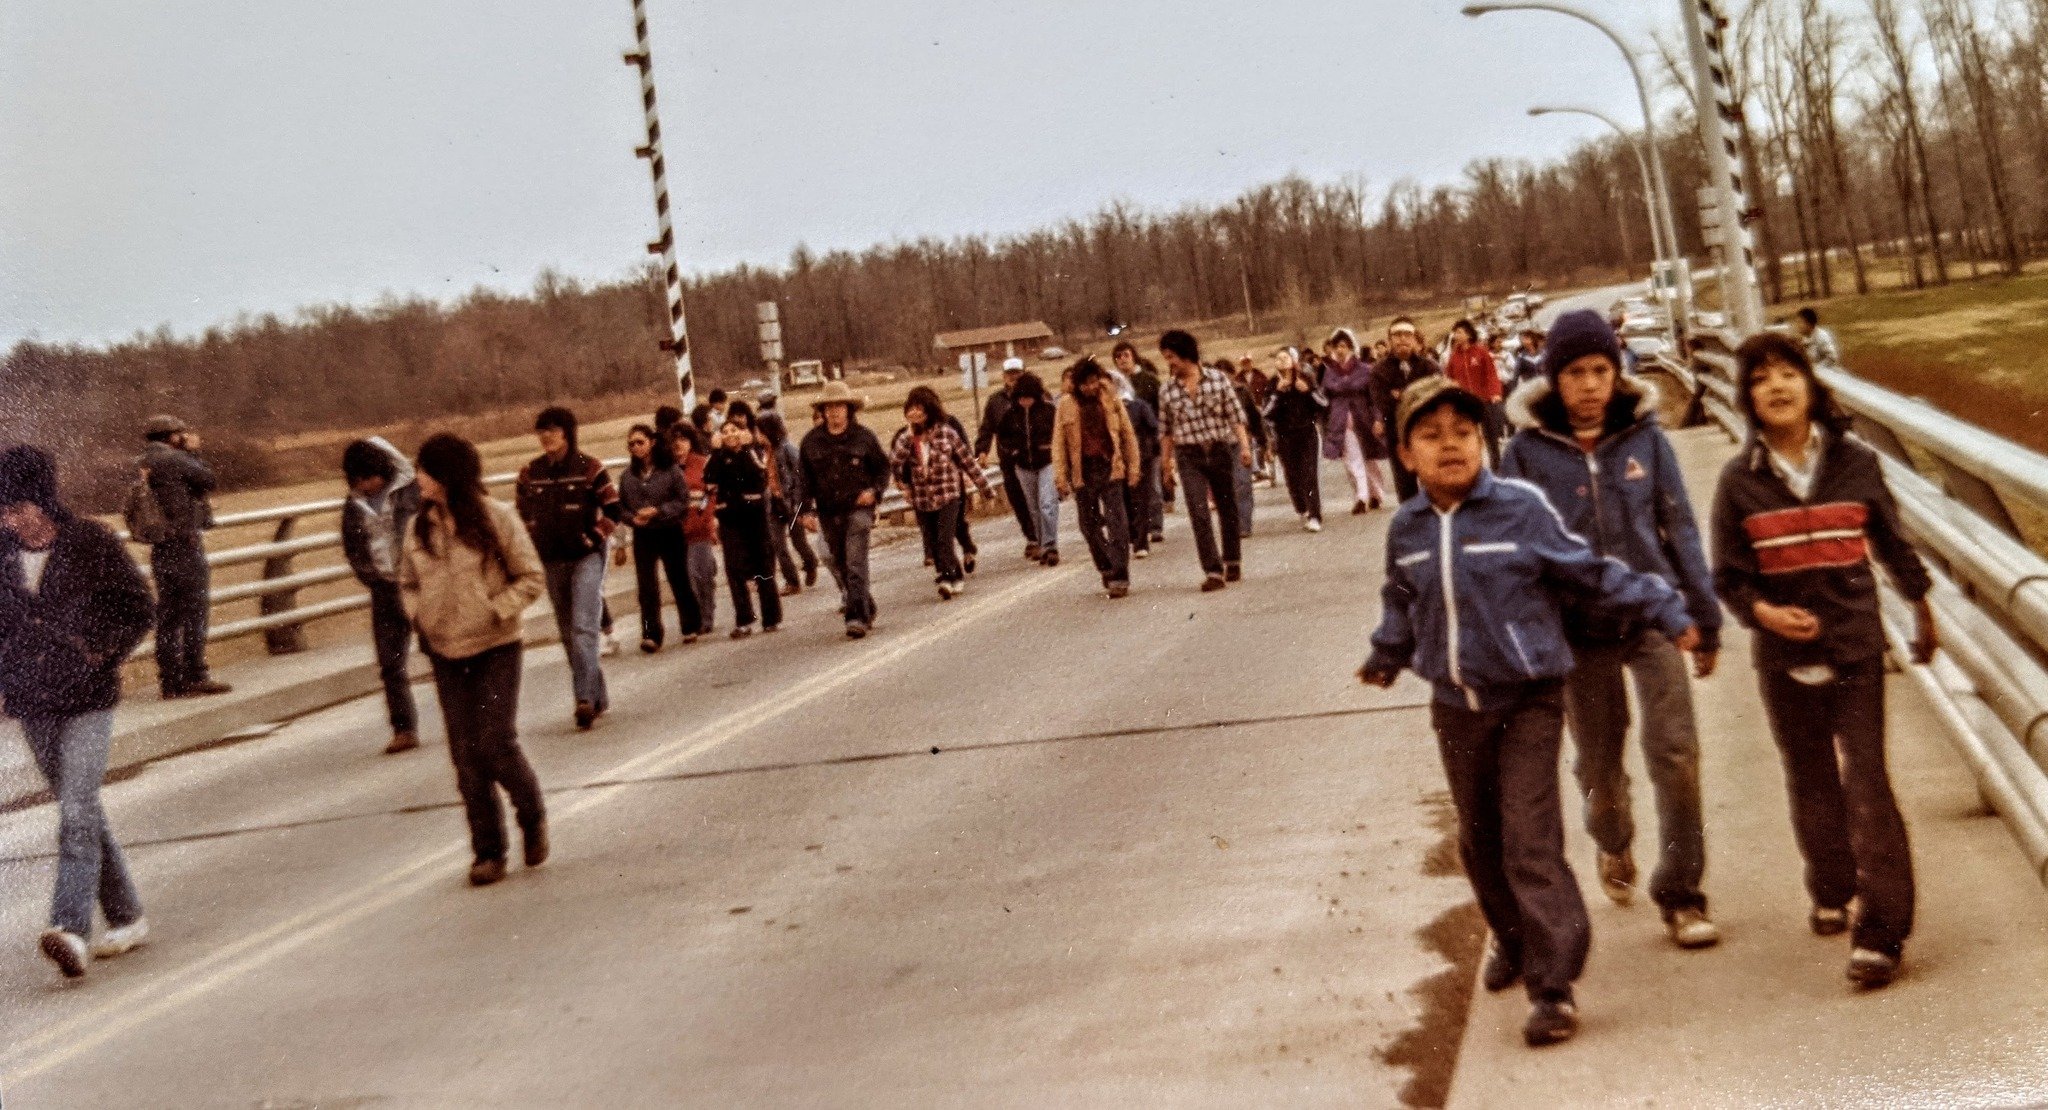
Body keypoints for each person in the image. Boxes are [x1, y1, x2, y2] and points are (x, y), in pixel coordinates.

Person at [1360, 377, 1700, 1048]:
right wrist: (1387, 651)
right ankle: (1513, 942)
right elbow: (1402, 597)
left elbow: (1590, 571)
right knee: (1479, 843)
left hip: (1530, 699)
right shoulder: (1407, 528)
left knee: (1530, 839)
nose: (1449, 446)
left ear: (1483, 442)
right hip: (1456, 704)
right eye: (1430, 437)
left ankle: (1553, 987)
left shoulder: (1520, 509)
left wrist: (1662, 604)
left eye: (1462, 433)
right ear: (1406, 456)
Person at [1711, 331, 1935, 990]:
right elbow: (1728, 576)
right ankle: (1832, 884)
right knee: (1811, 779)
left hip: (1856, 648)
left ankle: (1883, 932)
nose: (1776, 387)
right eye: (1760, 379)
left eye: (1788, 373)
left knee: (1866, 780)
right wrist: (1765, 614)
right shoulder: (1738, 482)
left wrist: (1922, 609)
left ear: (1812, 384)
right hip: (1783, 656)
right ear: (1747, 398)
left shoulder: (1857, 463)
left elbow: (1893, 544)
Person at [1499, 309, 1725, 950]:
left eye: (1602, 370)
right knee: (1601, 774)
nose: (1591, 384)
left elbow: (1679, 529)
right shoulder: (1525, 455)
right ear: (1554, 380)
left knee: (1676, 754)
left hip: (1652, 619)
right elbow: (1516, 555)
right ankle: (1614, 842)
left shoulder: (1647, 442)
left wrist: (1703, 618)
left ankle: (1682, 893)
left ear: (1617, 369)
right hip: (1577, 636)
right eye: (1576, 373)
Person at [0, 446, 154, 978]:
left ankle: (69, 928)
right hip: (31, 700)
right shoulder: (0, 552)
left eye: (20, 508)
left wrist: (102, 650)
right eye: (3, 511)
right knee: (81, 808)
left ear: (44, 500)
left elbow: (139, 605)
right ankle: (128, 915)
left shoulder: (90, 540)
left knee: (76, 811)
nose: (12, 520)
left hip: (88, 696)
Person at [399, 433, 549, 888]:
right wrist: (419, 616)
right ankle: (488, 851)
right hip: (445, 650)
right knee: (465, 756)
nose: (417, 477)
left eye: (424, 469)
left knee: (495, 741)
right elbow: (407, 583)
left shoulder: (496, 517)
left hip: (496, 646)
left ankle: (532, 812)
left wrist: (494, 608)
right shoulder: (417, 528)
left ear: (446, 475)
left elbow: (531, 577)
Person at [514, 406, 620, 732]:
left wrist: (595, 537)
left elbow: (614, 510)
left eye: (553, 429)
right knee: (567, 633)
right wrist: (533, 540)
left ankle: (583, 700)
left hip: (586, 557)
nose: (546, 436)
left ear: (567, 432)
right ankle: (596, 696)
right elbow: (521, 515)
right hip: (551, 561)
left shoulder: (591, 468)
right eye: (541, 430)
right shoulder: (529, 474)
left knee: (584, 627)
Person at [138, 414, 230, 699]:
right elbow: (208, 480)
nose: (186, 436)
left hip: (162, 548)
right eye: (181, 433)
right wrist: (193, 451)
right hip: (186, 545)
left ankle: (170, 681)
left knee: (168, 615)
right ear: (172, 437)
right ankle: (195, 675)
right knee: (195, 612)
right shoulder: (175, 460)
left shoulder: (143, 463)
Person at [341, 436, 423, 755]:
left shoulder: (409, 493)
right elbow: (352, 547)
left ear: (382, 472)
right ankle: (403, 728)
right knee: (390, 663)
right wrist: (371, 577)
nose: (365, 485)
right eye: (357, 480)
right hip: (384, 589)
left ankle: (467, 713)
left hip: (418, 584)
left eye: (368, 478)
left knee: (444, 650)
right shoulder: (353, 505)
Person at [1157, 329, 1253, 592]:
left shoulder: (1218, 380)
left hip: (1220, 450)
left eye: (1172, 357)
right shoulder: (1167, 391)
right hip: (1189, 456)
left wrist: (1244, 447)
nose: (1169, 363)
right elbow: (1165, 431)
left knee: (1227, 507)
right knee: (1198, 511)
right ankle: (1213, 570)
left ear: (1186, 354)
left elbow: (1236, 416)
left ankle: (1232, 559)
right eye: (1166, 358)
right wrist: (1166, 464)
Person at [799, 381, 891, 638]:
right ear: (823, 410)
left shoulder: (864, 437)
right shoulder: (811, 442)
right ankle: (866, 605)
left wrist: (874, 492)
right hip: (829, 511)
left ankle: (856, 617)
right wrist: (805, 511)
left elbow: (883, 469)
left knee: (855, 560)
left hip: (858, 509)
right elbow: (802, 480)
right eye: (829, 407)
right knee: (839, 561)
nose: (835, 411)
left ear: (849, 409)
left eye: (840, 406)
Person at [1053, 357, 1143, 598]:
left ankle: (1120, 575)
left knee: (1117, 523)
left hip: (1109, 466)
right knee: (1088, 525)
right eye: (1085, 384)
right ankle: (1106, 565)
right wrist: (1060, 476)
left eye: (1094, 381)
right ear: (1077, 384)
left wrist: (1134, 467)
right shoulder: (1066, 404)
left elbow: (1127, 433)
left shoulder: (1111, 398)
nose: (1090, 388)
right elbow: (1059, 443)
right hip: (1082, 471)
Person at [893, 390, 993, 600]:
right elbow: (895, 462)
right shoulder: (906, 438)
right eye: (910, 409)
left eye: (919, 409)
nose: (914, 413)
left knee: (944, 539)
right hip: (923, 499)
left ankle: (948, 578)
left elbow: (967, 462)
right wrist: (910, 437)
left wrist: (985, 489)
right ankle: (953, 574)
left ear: (929, 411)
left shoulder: (947, 433)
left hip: (948, 495)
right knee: (931, 540)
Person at [619, 424, 700, 651]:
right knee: (646, 586)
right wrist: (632, 519)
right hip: (643, 534)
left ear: (651, 443)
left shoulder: (670, 471)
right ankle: (651, 634)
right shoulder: (627, 476)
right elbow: (621, 508)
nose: (635, 447)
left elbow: (682, 502)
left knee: (678, 578)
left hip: (669, 530)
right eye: (631, 444)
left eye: (640, 442)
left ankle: (690, 624)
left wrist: (659, 511)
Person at [703, 418, 783, 637]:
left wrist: (746, 447)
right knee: (734, 568)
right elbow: (709, 478)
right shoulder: (717, 458)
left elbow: (758, 474)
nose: (730, 435)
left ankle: (771, 617)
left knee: (763, 566)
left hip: (755, 517)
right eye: (725, 431)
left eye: (734, 430)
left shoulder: (754, 452)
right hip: (730, 518)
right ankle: (744, 618)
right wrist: (717, 452)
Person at [1371, 318, 1442, 502]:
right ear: (1390, 340)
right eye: (1397, 335)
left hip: (1428, 433)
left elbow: (1439, 398)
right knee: (1405, 490)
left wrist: (1401, 396)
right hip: (1397, 436)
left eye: (1407, 335)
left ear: (1414, 338)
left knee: (1434, 485)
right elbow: (1382, 403)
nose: (1402, 339)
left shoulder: (1429, 366)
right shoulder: (1379, 370)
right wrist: (1417, 394)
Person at [1321, 328, 1389, 514]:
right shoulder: (1330, 373)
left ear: (1351, 347)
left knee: (1369, 459)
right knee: (1352, 460)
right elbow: (1324, 399)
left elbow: (1374, 399)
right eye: (1336, 347)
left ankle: (1376, 493)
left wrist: (1377, 419)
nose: (1339, 351)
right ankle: (1361, 496)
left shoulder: (1365, 370)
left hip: (1364, 419)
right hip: (1341, 421)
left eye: (1343, 346)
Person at [995, 371, 1061, 566]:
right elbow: (1002, 438)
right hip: (1023, 466)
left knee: (1047, 503)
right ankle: (1041, 544)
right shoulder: (1009, 415)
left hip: (1047, 462)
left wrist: (1050, 447)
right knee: (1033, 508)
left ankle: (1050, 545)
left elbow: (1058, 435)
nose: (1025, 402)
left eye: (1029, 398)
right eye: (1021, 398)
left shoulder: (1049, 411)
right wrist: (1014, 451)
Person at [976, 358, 1039, 558]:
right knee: (1018, 499)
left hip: (1034, 457)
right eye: (1010, 373)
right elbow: (987, 428)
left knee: (1036, 499)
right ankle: (1032, 538)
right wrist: (982, 451)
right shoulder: (995, 401)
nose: (1013, 377)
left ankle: (1043, 537)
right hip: (1008, 458)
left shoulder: (1036, 395)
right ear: (1004, 376)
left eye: (1017, 373)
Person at [1265, 346, 1330, 531]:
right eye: (1278, 358)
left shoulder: (1306, 379)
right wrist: (1277, 393)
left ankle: (1315, 515)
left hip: (1307, 433)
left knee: (1309, 474)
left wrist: (1308, 391)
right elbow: (1266, 413)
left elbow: (1324, 405)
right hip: (1284, 436)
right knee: (1292, 476)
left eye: (1285, 357)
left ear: (1294, 360)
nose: (1281, 361)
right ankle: (1302, 507)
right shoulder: (1272, 384)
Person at [1115, 341, 1168, 547]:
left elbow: (1162, 407)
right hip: (1127, 443)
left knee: (1151, 486)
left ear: (1133, 356)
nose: (1122, 359)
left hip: (1148, 438)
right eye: (1118, 356)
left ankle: (1155, 526)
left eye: (1125, 355)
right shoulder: (1116, 382)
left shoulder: (1149, 380)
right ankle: (1136, 528)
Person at [669, 424, 719, 639]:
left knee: (702, 575)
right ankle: (697, 617)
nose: (678, 444)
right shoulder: (668, 468)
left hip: (700, 528)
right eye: (674, 440)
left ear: (691, 441)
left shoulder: (702, 463)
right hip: (677, 533)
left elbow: (711, 493)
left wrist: (704, 516)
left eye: (683, 439)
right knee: (688, 577)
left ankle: (707, 616)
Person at [763, 410, 820, 592]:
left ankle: (810, 562)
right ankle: (792, 581)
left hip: (792, 504)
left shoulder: (787, 448)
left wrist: (801, 502)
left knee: (798, 541)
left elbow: (801, 475)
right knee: (777, 543)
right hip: (774, 503)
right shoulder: (765, 452)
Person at [1446, 319, 1507, 465]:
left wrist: (1495, 393)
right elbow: (1448, 376)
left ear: (1468, 334)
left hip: (1484, 401)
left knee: (1490, 435)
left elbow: (1491, 374)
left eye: (1459, 332)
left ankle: (1496, 465)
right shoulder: (1454, 356)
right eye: (1455, 333)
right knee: (1469, 436)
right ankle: (1473, 466)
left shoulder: (1481, 352)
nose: (1456, 335)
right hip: (1465, 403)